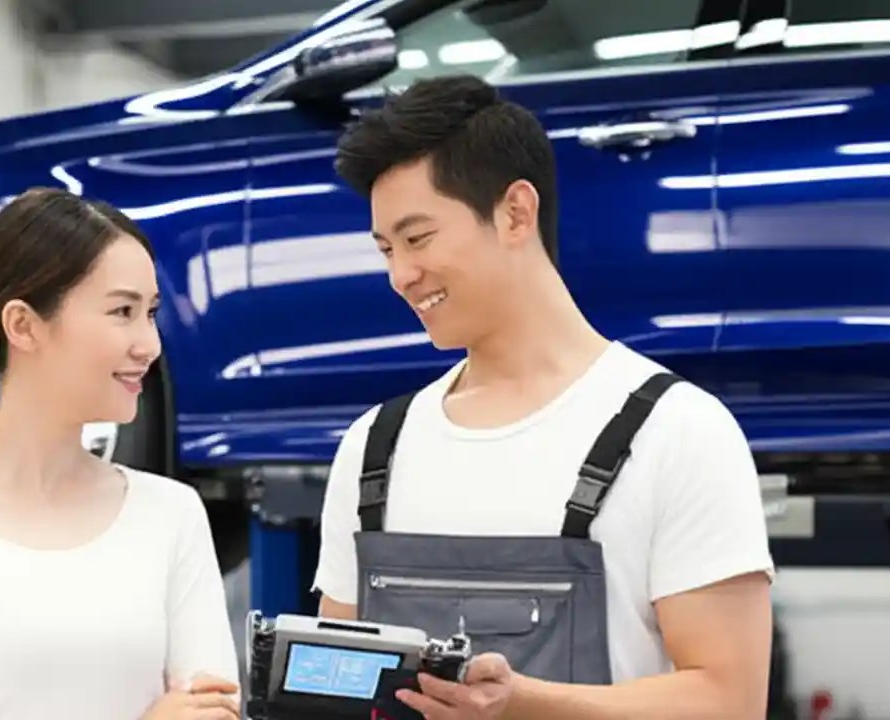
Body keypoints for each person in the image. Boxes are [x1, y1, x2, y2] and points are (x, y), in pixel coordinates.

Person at [312, 75, 776, 719]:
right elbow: (333, 693)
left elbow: (729, 702)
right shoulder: (374, 449)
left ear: (515, 213)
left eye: (418, 239)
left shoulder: (678, 432)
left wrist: (524, 705)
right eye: (387, 249)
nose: (401, 275)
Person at [0, 188, 241, 720]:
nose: (149, 344)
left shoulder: (173, 515)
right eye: (122, 311)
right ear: (23, 325)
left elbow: (213, 713)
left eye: (149, 313)